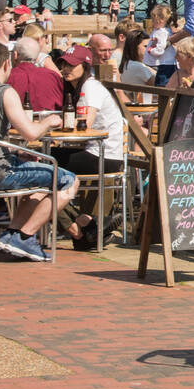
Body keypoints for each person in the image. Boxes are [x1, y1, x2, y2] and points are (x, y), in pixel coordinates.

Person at [0, 42, 78, 261]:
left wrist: (17, 154)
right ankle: (26, 236)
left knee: (41, 185)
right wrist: (49, 122)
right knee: (70, 181)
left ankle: (11, 234)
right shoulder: (4, 92)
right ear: (7, 63)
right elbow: (30, 134)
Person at [54, 45, 126, 248]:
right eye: (63, 64)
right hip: (95, 152)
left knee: (44, 167)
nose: (66, 69)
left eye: (71, 64)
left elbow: (84, 125)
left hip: (104, 156)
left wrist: (55, 126)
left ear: (84, 66)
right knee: (41, 164)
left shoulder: (90, 88)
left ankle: (81, 227)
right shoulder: (79, 87)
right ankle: (86, 225)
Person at [7, 36, 65, 111]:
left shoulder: (8, 76)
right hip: (49, 120)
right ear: (37, 57)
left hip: (17, 121)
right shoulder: (52, 76)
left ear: (15, 55)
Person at [145, 4, 177, 86]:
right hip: (168, 62)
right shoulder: (166, 30)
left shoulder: (160, 32)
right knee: (166, 84)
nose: (152, 23)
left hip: (165, 63)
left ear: (161, 20)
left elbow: (160, 48)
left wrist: (150, 50)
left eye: (153, 20)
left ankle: (163, 98)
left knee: (161, 85)